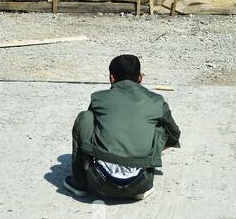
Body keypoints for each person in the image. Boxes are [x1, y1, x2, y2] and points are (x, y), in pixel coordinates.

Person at [65, 54, 181, 201]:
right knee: (160, 127)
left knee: (85, 118)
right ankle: (139, 176)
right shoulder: (156, 101)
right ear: (140, 77)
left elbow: (91, 134)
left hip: (99, 182)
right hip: (142, 183)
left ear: (112, 78)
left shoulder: (98, 98)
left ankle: (79, 185)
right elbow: (174, 134)